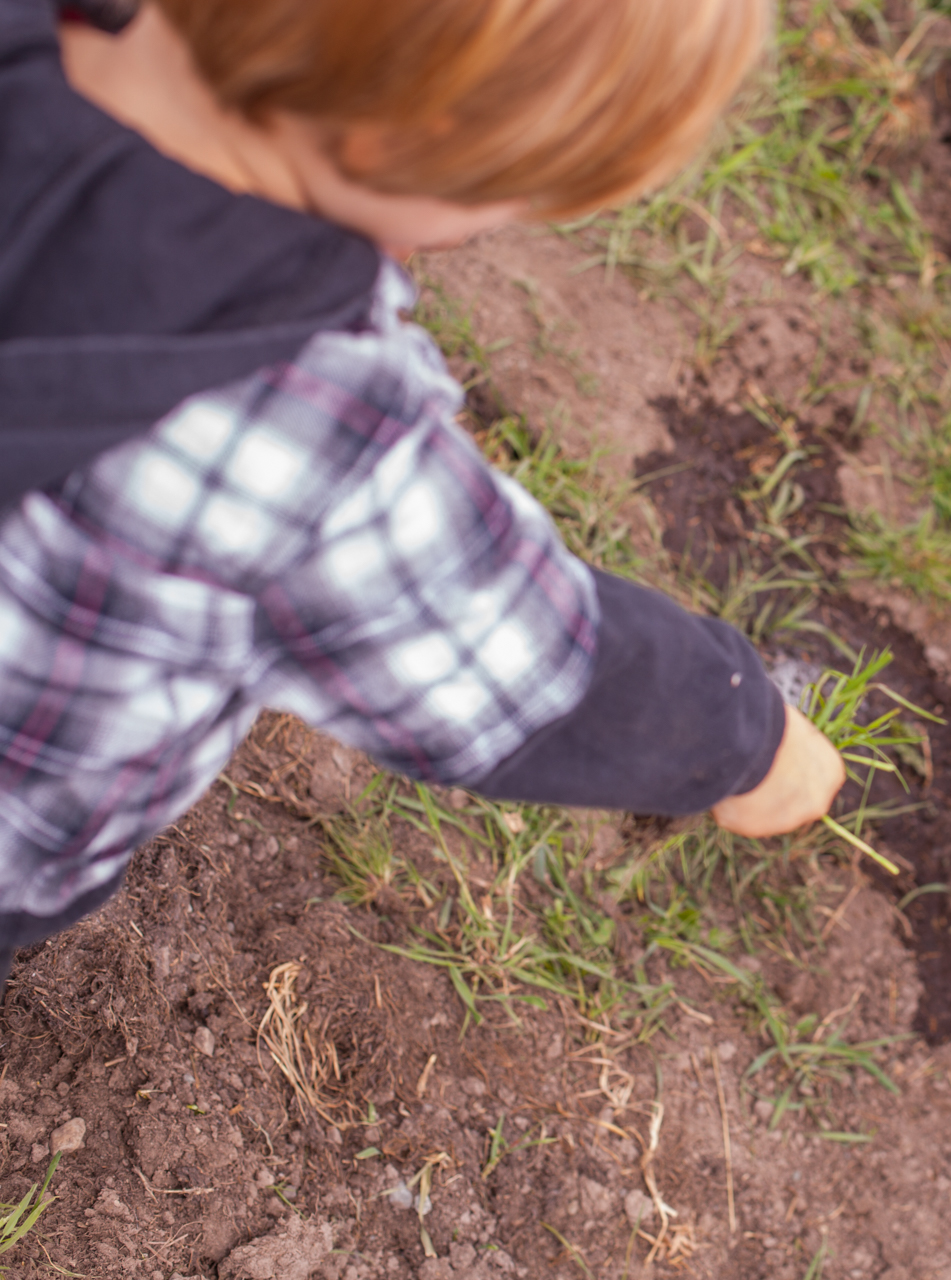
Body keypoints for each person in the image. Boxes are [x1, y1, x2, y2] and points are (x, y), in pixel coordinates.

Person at [0, 0, 844, 987]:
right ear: (419, 134)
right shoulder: (304, 437)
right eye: (512, 193)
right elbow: (537, 671)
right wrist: (751, 735)